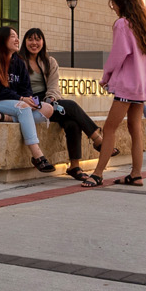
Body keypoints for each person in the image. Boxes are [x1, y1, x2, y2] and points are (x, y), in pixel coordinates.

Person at [81, 0, 146, 187]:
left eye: (113, 4)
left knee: (109, 128)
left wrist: (106, 76)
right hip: (141, 87)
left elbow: (118, 55)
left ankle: (98, 174)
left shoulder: (123, 24)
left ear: (121, 3)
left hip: (127, 86)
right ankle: (136, 174)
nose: (113, 8)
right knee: (135, 129)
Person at [19, 27, 118, 180]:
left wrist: (50, 100)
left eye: (37, 39)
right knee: (71, 106)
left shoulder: (49, 61)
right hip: (30, 104)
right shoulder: (19, 62)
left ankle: (74, 166)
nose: (34, 43)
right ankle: (98, 140)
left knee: (72, 122)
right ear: (24, 41)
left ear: (43, 42)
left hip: (47, 101)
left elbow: (53, 86)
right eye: (30, 39)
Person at [0, 26, 56, 173]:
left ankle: (7, 118)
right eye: (13, 36)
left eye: (17, 36)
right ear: (2, 40)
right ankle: (37, 155)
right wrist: (21, 99)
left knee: (48, 109)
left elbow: (26, 89)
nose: (17, 39)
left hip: (13, 105)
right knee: (23, 108)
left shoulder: (19, 62)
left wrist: (30, 99)